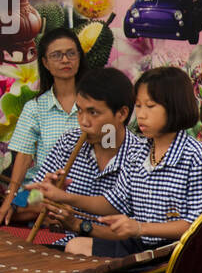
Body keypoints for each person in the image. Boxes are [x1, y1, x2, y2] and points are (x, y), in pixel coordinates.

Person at [32, 67, 202, 273]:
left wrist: (138, 227)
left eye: (151, 106)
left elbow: (198, 227)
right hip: (147, 249)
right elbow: (110, 202)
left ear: (175, 107)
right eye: (139, 106)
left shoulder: (196, 157)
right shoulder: (140, 154)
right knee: (76, 247)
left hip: (194, 254)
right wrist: (63, 197)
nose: (143, 114)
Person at [38, 67, 145, 248]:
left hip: (113, 258)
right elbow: (28, 198)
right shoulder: (68, 143)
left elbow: (138, 238)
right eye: (79, 111)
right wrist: (43, 196)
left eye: (93, 113)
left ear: (122, 114)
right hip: (60, 247)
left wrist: (76, 223)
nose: (83, 122)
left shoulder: (140, 157)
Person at [0, 27, 84, 226]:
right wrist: (9, 200)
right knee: (17, 208)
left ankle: (50, 217)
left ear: (79, 57)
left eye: (71, 53)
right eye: (57, 55)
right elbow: (24, 156)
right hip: (41, 190)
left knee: (64, 207)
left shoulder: (94, 105)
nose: (65, 60)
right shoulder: (35, 108)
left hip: (83, 190)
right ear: (45, 62)